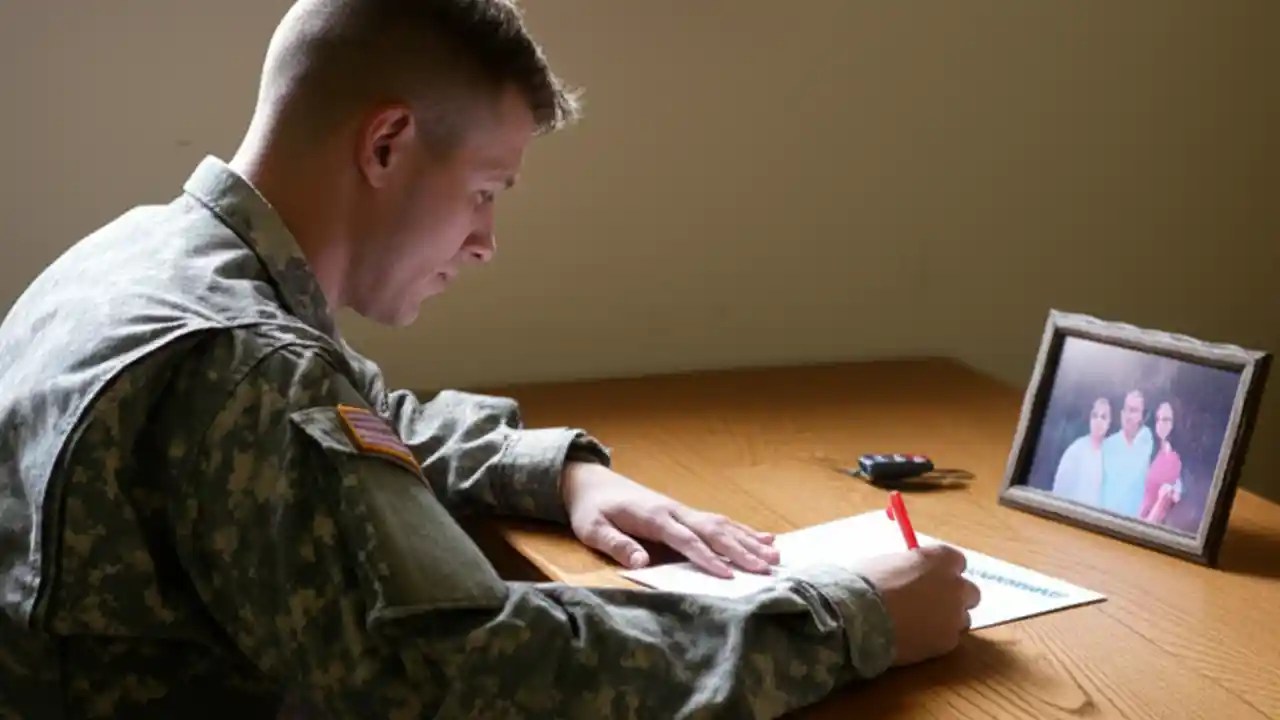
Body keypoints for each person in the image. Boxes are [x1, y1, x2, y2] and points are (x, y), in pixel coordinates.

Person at [0, 1, 979, 717]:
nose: (485, 241)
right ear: (386, 144)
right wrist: (846, 618)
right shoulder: (247, 364)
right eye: (484, 190)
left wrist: (562, 474)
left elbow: (353, 415)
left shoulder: (147, 259)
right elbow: (464, 676)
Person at [1099, 389, 1154, 517]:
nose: (1128, 416)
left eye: (1134, 411)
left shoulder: (1151, 446)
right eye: (1126, 410)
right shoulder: (1107, 446)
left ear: (1143, 416)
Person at [1051, 397, 1110, 506]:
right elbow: (1059, 492)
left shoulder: (1112, 453)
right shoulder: (1075, 451)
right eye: (1095, 416)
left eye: (1103, 417)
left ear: (1109, 422)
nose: (1098, 421)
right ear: (1089, 419)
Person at [1139, 400, 1183, 524]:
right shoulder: (1149, 448)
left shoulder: (1175, 459)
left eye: (1166, 419)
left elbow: (1169, 499)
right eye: (1158, 419)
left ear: (1174, 423)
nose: (1160, 424)